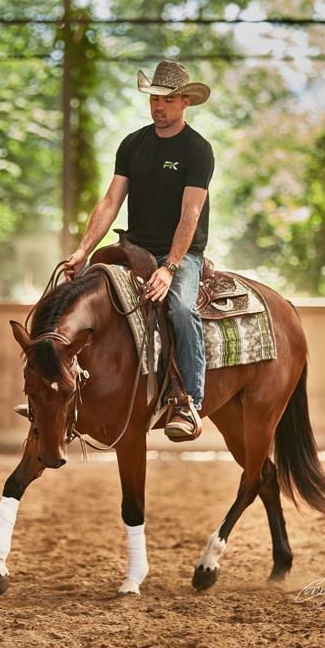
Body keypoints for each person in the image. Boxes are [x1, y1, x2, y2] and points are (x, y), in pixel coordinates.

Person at [62, 60, 214, 440]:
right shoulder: (133, 144)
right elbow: (110, 202)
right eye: (154, 99)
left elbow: (191, 214)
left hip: (180, 254)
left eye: (168, 100)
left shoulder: (197, 150)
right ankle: (62, 395)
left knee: (181, 309)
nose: (159, 106)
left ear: (185, 103)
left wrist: (171, 267)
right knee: (80, 297)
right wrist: (82, 251)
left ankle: (188, 400)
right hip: (133, 249)